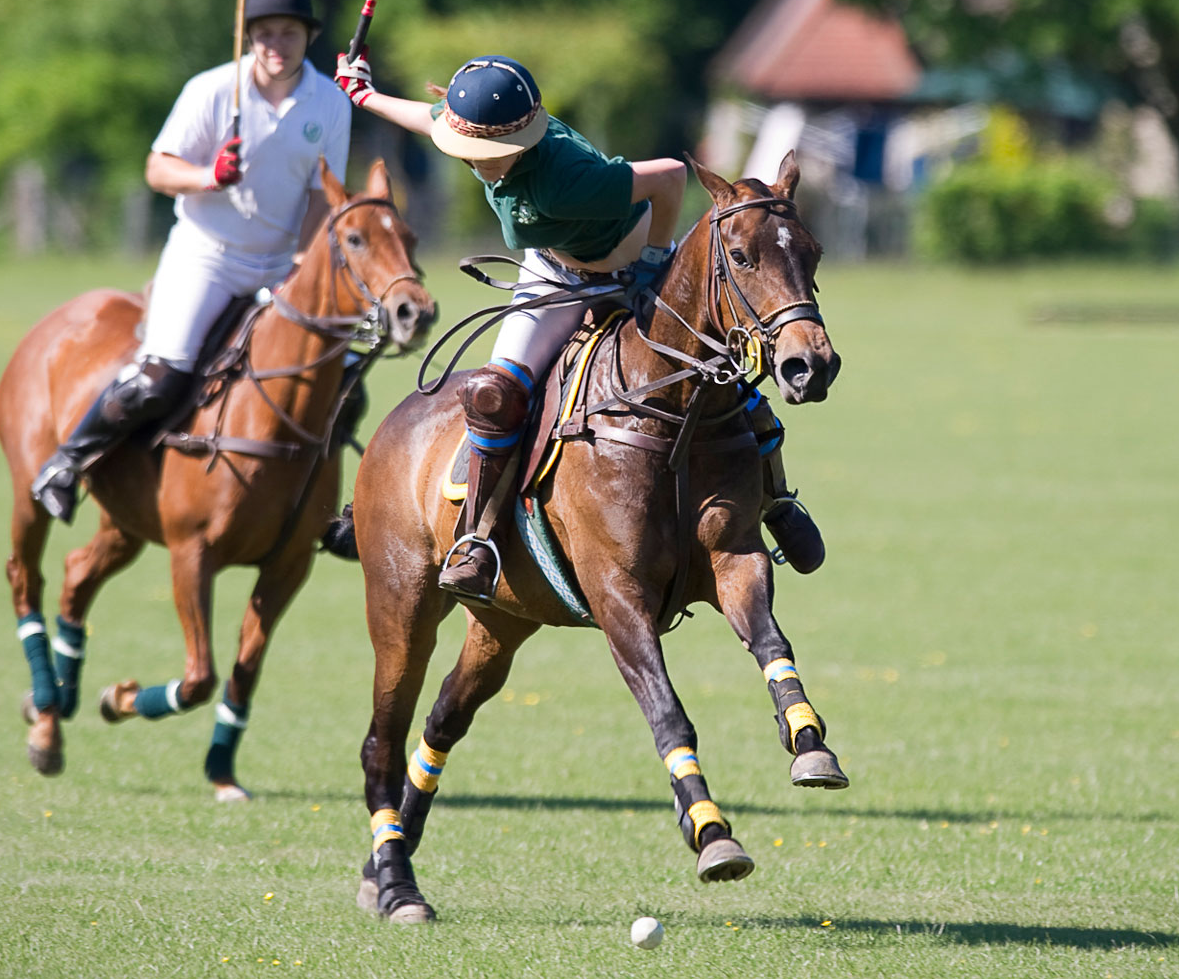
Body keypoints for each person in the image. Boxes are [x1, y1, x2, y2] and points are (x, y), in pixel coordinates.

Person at [333, 49, 824, 603]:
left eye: (486, 152)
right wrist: (361, 94)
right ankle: (476, 540)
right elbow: (428, 119)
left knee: (721, 381)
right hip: (556, 271)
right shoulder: (481, 134)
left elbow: (668, 177)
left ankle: (778, 502)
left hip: (633, 269)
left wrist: (652, 263)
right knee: (495, 394)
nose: (476, 160)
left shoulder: (573, 178)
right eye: (468, 148)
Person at [29, 0, 351, 523]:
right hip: (208, 255)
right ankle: (68, 461)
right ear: (248, 39)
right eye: (265, 33)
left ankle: (323, 513)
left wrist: (302, 264)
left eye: (289, 32)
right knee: (163, 375)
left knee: (338, 377)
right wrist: (208, 175)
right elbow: (158, 168)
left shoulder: (331, 102)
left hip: (279, 263)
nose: (277, 44)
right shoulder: (211, 90)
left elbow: (324, 195)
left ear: (309, 36)